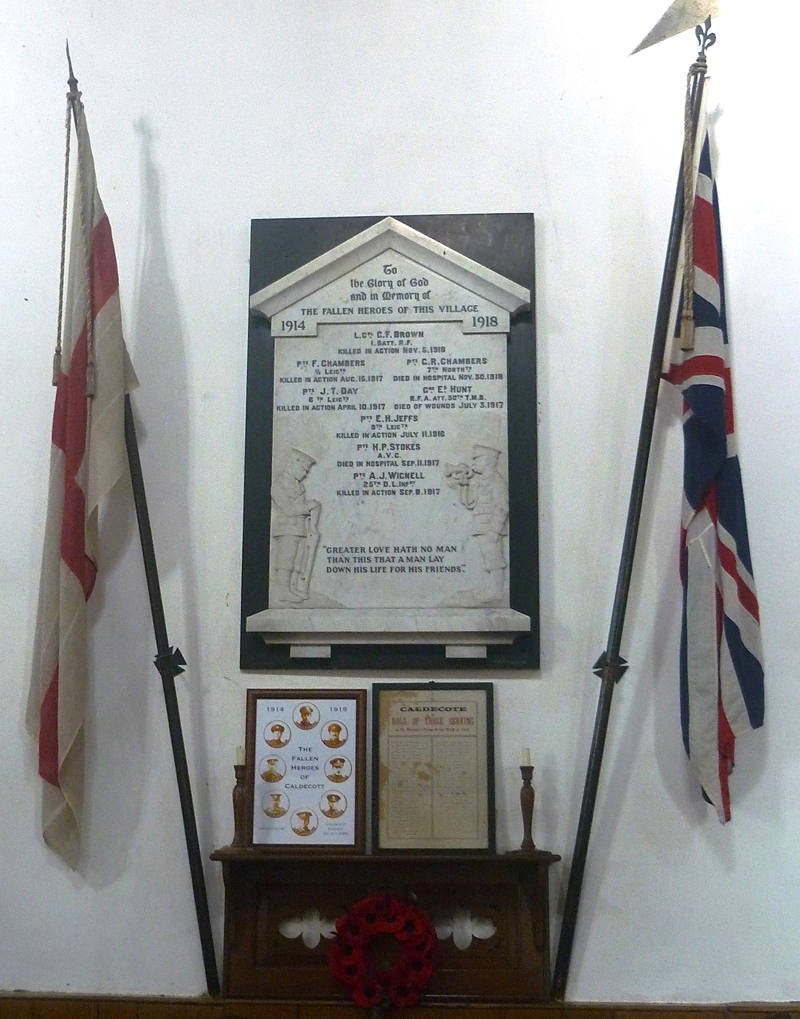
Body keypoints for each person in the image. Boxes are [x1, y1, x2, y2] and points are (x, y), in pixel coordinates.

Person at [445, 443, 509, 603]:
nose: (473, 463)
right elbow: (468, 500)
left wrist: (495, 529)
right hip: (481, 525)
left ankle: (496, 591)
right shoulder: (479, 481)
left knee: (495, 559)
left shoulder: (497, 481)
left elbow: (503, 507)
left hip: (491, 527)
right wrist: (462, 482)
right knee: (487, 557)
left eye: (476, 459)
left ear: (488, 460)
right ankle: (490, 588)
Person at [271, 448, 321, 604]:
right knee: (286, 561)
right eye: (303, 469)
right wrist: (308, 506)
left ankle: (291, 588)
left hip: (299, 528)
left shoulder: (298, 485)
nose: (305, 474)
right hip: (287, 528)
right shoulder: (278, 486)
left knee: (297, 560)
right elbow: (288, 509)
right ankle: (283, 591)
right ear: (292, 464)